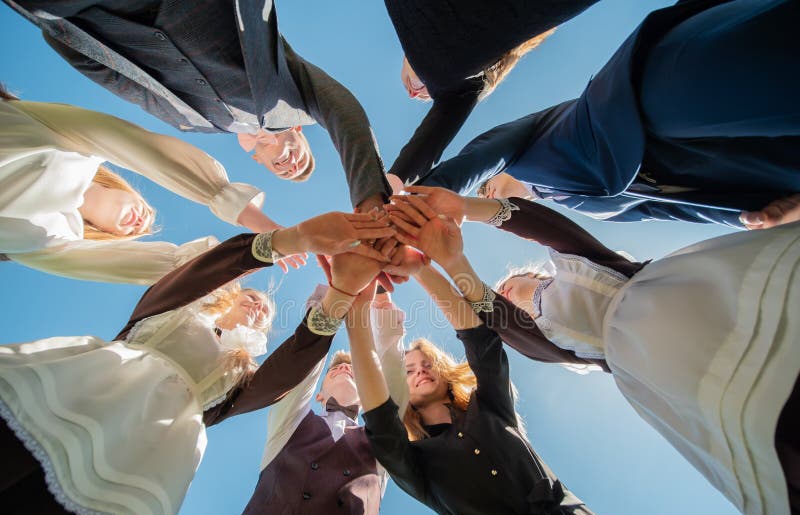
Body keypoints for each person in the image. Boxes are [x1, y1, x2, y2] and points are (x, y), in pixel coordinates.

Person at [388, 189, 800, 515]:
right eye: (504, 294)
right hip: (680, 381)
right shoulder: (564, 344)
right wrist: (453, 264)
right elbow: (497, 322)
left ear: (538, 275)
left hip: (696, 292)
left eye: (514, 283)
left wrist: (467, 208)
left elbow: (553, 231)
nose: (508, 292)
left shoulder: (587, 270)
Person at [0, 212, 396, 515]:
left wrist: (337, 299)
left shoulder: (231, 382)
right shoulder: (168, 315)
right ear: (227, 297)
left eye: (265, 316)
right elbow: (195, 276)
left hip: (148, 459)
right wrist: (291, 239)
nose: (260, 309)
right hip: (88, 387)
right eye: (254, 299)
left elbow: (282, 376)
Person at [347, 272, 693, 515]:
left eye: (427, 363)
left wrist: (421, 269)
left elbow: (482, 343)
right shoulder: (414, 462)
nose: (421, 369)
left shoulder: (491, 407)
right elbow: (379, 417)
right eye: (409, 370)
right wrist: (359, 316)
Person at [416, 0, 800, 230]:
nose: (489, 191)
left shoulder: (535, 146)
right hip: (741, 168)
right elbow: (664, 208)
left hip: (667, 94)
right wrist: (743, 217)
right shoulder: (590, 209)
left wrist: (441, 187)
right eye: (486, 194)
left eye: (485, 187)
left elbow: (489, 149)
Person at [4, 0, 391, 213]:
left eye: (287, 174)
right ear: (301, 132)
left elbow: (123, 83)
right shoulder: (293, 99)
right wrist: (370, 200)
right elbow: (345, 112)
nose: (292, 166)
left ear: (259, 163)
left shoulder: (193, 124)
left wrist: (59, 28)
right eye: (303, 161)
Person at [212, 277, 409, 515]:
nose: (345, 371)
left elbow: (394, 398)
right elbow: (303, 371)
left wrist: (387, 326)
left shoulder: (383, 446)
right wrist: (328, 308)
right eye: (336, 370)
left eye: (355, 372)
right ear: (319, 396)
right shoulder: (289, 425)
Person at [0, 85, 307, 284]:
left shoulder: (53, 243)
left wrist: (265, 249)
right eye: (144, 212)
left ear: (111, 236)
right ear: (127, 188)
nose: (139, 223)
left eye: (135, 232)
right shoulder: (80, 150)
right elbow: (143, 149)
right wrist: (267, 227)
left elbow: (166, 266)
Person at [383, 0, 600, 191]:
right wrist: (390, 188)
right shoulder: (467, 85)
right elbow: (428, 143)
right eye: (422, 96)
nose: (414, 94)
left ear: (405, 57)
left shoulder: (414, 26)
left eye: (407, 84)